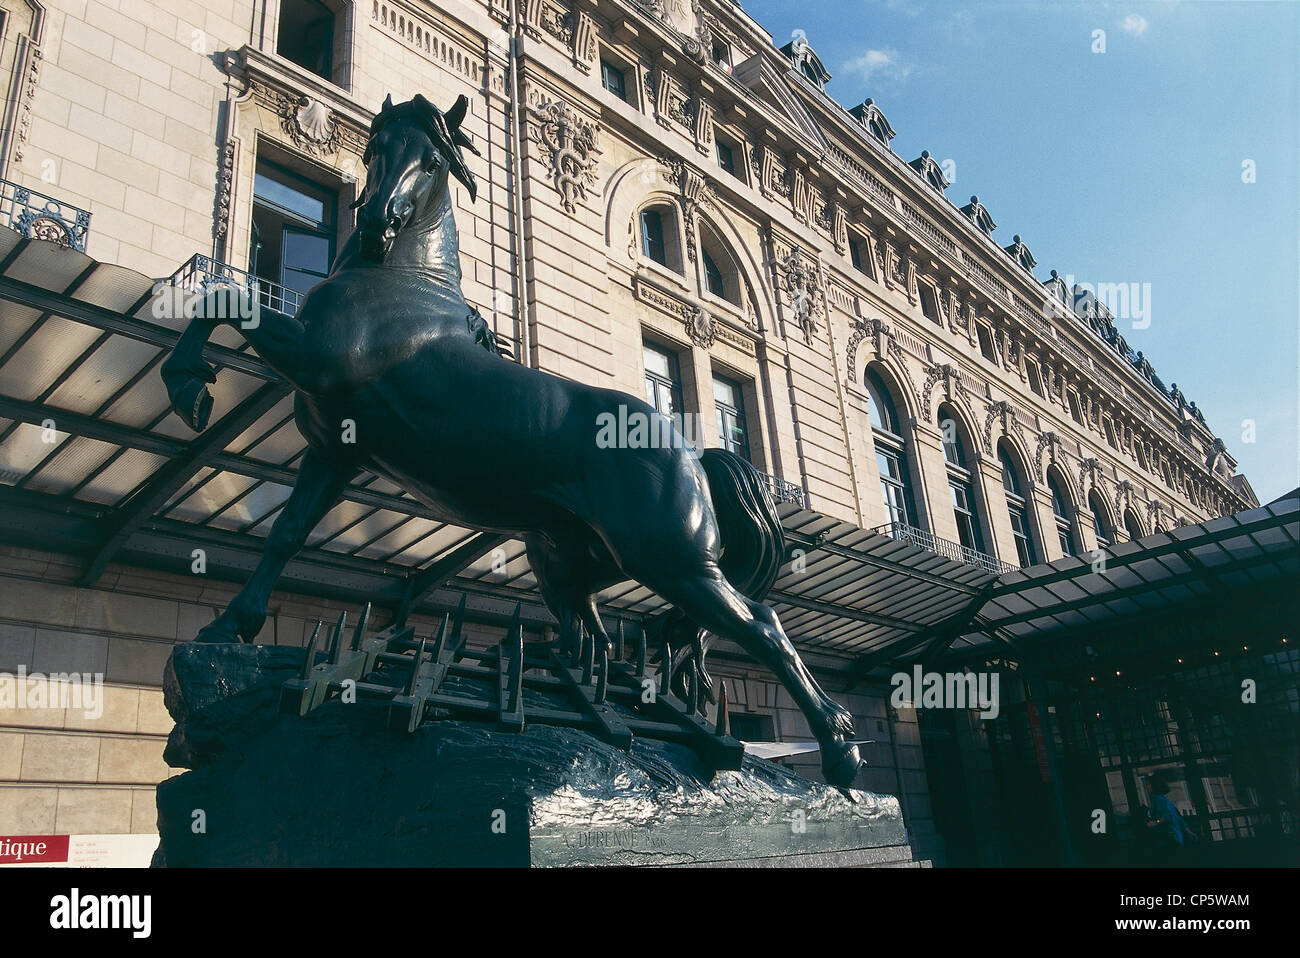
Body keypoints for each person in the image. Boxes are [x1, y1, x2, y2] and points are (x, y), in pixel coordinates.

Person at [1144, 773, 1196, 865]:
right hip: (1176, 837)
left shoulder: (1157, 799)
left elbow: (1167, 816)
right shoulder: (1166, 800)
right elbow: (1178, 817)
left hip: (1166, 838)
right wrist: (1189, 831)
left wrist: (1155, 822)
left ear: (1154, 785)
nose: (1147, 787)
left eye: (1148, 784)